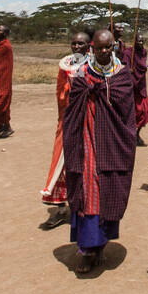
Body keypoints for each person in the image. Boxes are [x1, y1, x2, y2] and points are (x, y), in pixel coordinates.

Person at [61, 28, 139, 274]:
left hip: (110, 143)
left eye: (109, 47)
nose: (104, 51)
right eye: (100, 47)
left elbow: (126, 111)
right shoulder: (82, 74)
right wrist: (88, 90)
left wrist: (103, 93)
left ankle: (100, 244)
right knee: (87, 191)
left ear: (114, 47)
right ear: (92, 48)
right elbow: (71, 109)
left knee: (106, 190)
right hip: (84, 143)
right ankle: (86, 249)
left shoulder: (121, 75)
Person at [41, 32, 89, 229]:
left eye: (81, 44)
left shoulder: (93, 64)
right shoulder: (65, 65)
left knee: (85, 164)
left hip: (87, 122)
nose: (77, 47)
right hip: (68, 120)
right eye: (74, 43)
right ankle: (60, 208)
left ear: (89, 46)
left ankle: (83, 206)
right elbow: (60, 91)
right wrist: (71, 91)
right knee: (60, 162)